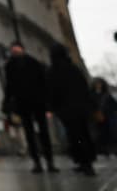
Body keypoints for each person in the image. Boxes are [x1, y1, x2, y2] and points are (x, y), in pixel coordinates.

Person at [2, 41, 58, 173]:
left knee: (42, 133)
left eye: (17, 49)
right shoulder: (10, 66)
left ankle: (49, 161)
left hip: (37, 103)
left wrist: (47, 105)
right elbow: (9, 87)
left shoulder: (33, 63)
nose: (15, 52)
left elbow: (43, 84)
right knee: (30, 133)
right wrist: (7, 103)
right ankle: (37, 161)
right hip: (23, 104)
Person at [47, 43, 96, 176]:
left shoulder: (54, 70)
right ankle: (86, 161)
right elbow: (84, 88)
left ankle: (84, 162)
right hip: (79, 108)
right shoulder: (73, 69)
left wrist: (52, 107)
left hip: (67, 110)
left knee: (75, 136)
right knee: (83, 134)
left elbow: (52, 92)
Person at [92, 78, 117, 157]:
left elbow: (113, 105)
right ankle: (102, 149)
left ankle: (108, 149)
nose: (98, 85)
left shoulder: (106, 95)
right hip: (96, 116)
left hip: (107, 117)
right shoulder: (92, 94)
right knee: (99, 133)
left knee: (108, 133)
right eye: (97, 84)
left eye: (99, 84)